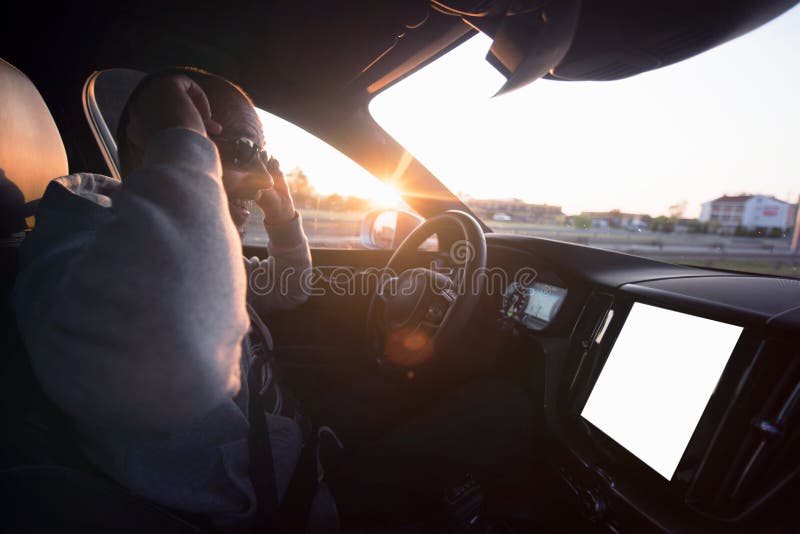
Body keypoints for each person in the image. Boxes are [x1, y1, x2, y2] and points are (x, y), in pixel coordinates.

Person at [13, 68, 314, 531]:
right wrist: (180, 145)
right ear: (161, 142)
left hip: (291, 476)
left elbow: (290, 287)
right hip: (252, 513)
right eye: (243, 149)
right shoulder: (81, 253)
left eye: (263, 156)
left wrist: (282, 211)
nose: (263, 179)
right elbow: (183, 355)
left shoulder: (194, 250)